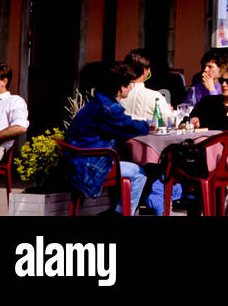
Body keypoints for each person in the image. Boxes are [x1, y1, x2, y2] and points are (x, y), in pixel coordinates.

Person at [63, 63, 149, 215]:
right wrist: (148, 126)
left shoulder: (99, 102)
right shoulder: (109, 109)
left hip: (76, 161)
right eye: (129, 85)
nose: (130, 88)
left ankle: (117, 210)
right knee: (139, 173)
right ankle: (122, 213)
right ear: (121, 87)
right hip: (89, 165)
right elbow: (128, 127)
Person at [120, 50, 172, 123]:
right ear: (145, 70)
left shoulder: (117, 93)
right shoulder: (155, 97)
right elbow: (169, 121)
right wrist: (170, 111)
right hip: (146, 133)